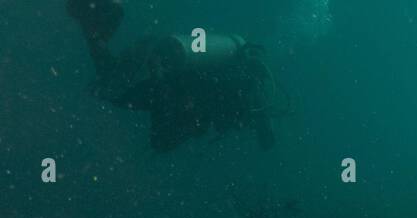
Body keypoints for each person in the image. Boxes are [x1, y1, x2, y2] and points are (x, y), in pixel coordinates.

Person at [67, 0, 284, 151]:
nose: (235, 127)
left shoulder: (227, 83)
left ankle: (99, 19)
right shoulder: (233, 91)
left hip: (157, 59)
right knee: (112, 84)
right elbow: (163, 139)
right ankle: (101, 19)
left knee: (111, 81)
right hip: (158, 72)